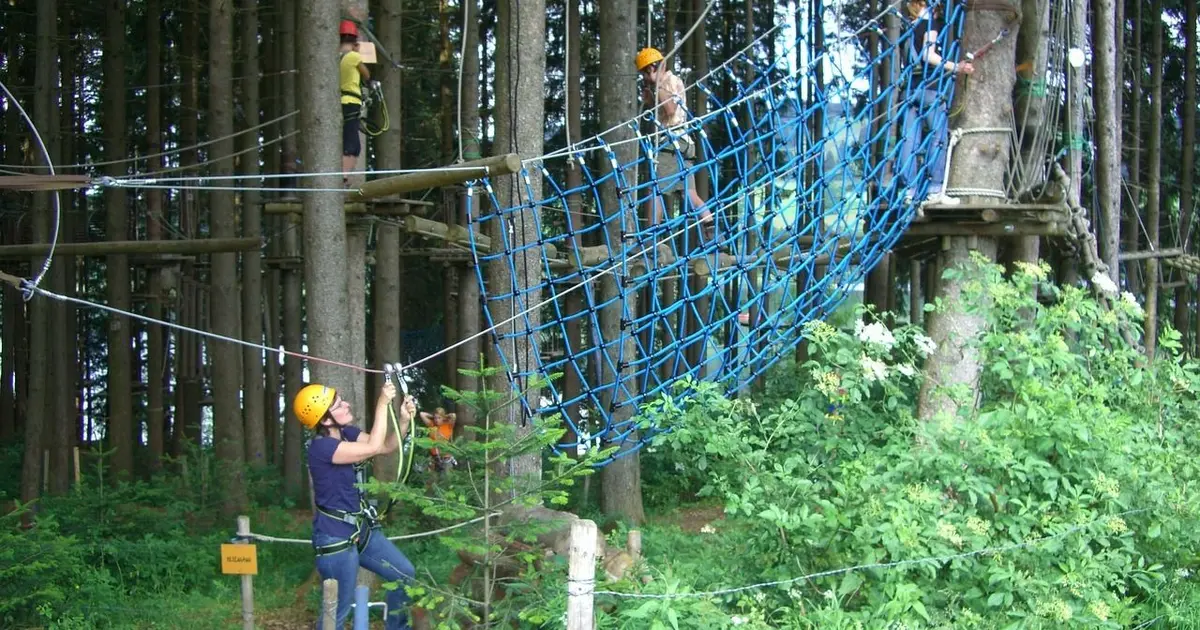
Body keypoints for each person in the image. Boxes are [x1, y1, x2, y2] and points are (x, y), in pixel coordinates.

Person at [295, 380, 416, 629]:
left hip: (361, 530)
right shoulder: (321, 448)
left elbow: (383, 446)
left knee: (404, 574)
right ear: (326, 420)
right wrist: (383, 403)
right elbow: (372, 447)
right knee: (338, 610)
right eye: (339, 404)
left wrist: (403, 420)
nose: (346, 404)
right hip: (335, 538)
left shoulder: (347, 434)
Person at [895, 0, 973, 206]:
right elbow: (928, 55)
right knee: (937, 137)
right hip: (929, 89)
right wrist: (956, 67)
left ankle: (909, 191)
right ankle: (935, 190)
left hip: (910, 91)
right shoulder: (929, 25)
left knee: (909, 140)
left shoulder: (908, 30)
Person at [636, 47, 714, 240]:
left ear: (652, 68)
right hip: (683, 143)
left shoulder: (667, 82)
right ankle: (711, 230)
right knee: (689, 194)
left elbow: (670, 110)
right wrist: (649, 99)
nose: (645, 78)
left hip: (671, 143)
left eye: (645, 73)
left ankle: (651, 239)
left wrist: (656, 86)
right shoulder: (666, 83)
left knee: (655, 188)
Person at [339, 19, 371, 183]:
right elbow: (366, 75)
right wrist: (359, 52)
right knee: (353, 144)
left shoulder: (338, 59)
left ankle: (344, 174)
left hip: (344, 101)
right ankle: (344, 176)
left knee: (350, 140)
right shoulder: (353, 56)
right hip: (352, 102)